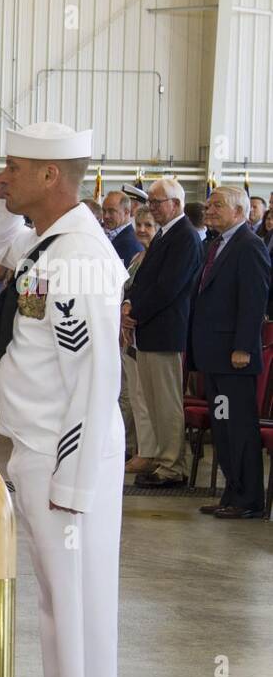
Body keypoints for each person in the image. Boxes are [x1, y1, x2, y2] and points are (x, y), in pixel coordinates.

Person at [0, 122, 128, 677]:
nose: (2, 176)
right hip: (37, 451)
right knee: (55, 610)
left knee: (80, 612)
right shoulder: (50, 243)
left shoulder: (81, 257)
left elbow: (95, 377)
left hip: (67, 462)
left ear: (51, 176)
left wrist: (73, 483)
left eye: (14, 166)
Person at [190, 186, 272, 518]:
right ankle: (231, 494)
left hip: (233, 359)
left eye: (217, 205)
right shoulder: (216, 244)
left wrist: (242, 347)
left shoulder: (248, 246)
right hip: (214, 356)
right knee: (222, 427)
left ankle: (248, 499)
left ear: (238, 212)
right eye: (208, 205)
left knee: (238, 428)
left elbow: (253, 301)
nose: (209, 210)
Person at [122, 178, 203, 488]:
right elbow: (144, 281)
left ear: (177, 204)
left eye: (157, 202)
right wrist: (129, 306)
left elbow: (169, 287)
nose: (151, 207)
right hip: (149, 329)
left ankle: (172, 466)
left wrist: (135, 312)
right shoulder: (165, 234)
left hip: (166, 330)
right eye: (150, 202)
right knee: (152, 401)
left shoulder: (184, 236)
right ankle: (159, 458)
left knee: (167, 403)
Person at [121, 205, 158, 472]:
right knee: (132, 395)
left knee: (143, 397)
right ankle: (135, 446)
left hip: (144, 333)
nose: (142, 230)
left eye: (149, 225)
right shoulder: (137, 257)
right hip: (128, 334)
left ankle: (148, 452)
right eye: (140, 224)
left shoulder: (155, 258)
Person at [101, 189, 144, 267]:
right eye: (104, 211)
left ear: (126, 212)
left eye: (111, 211)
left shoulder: (129, 243)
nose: (106, 216)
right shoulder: (111, 235)